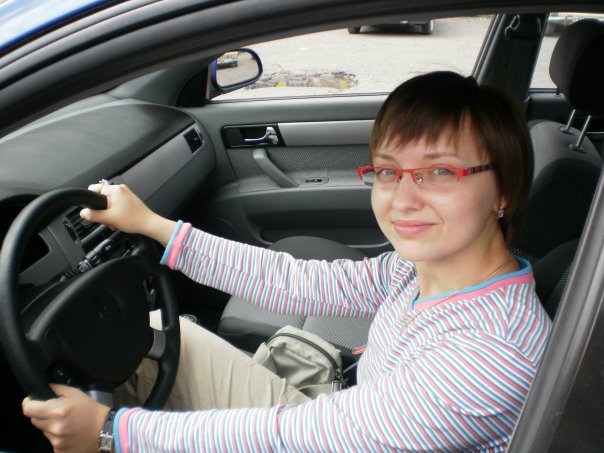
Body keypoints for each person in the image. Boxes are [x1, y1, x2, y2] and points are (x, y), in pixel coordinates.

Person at [22, 71, 551, 452]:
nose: (403, 199)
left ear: (503, 189)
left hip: (326, 435)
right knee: (151, 333)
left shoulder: (488, 353)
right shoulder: (419, 270)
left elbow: (296, 437)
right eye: (389, 171)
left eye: (440, 172)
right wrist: (154, 225)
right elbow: (302, 283)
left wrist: (112, 432)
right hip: (346, 414)